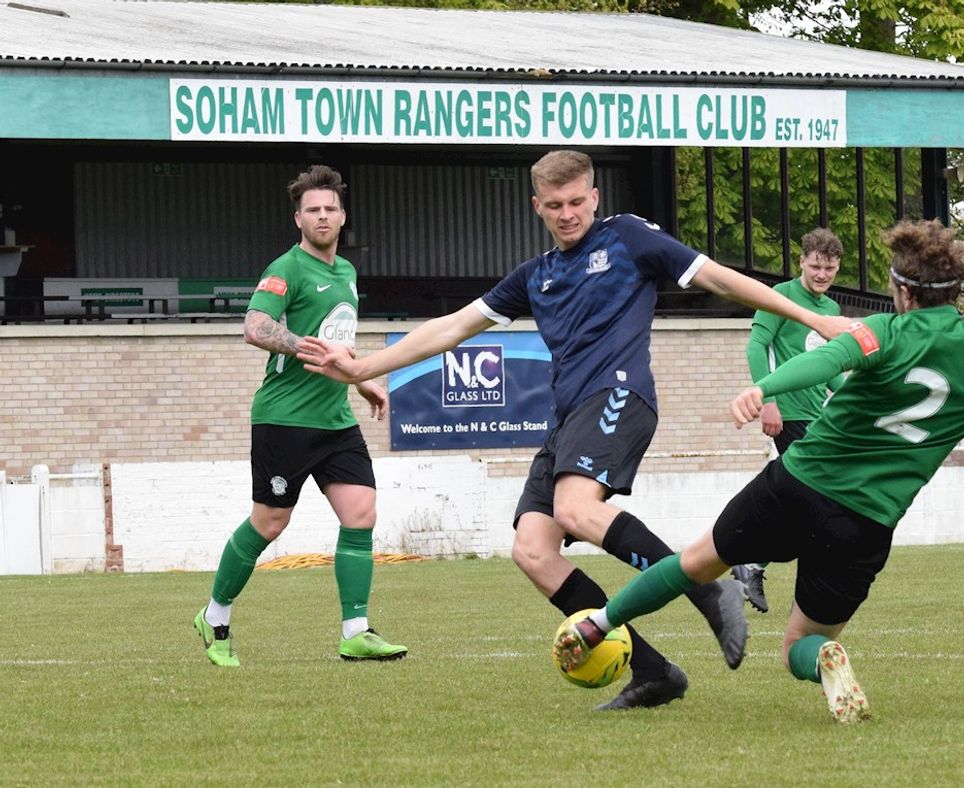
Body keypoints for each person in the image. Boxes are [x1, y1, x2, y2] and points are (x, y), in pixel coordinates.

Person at [553, 219, 964, 723]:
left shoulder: (886, 332)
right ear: (953, 289)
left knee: (697, 559)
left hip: (798, 484)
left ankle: (598, 622)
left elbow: (827, 357)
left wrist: (767, 388)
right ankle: (821, 662)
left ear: (902, 291)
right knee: (802, 640)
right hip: (867, 523)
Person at [298, 150, 851, 710]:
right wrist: (364, 367)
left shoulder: (629, 238)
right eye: (555, 205)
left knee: (576, 510)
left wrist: (814, 317)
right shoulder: (536, 276)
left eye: (576, 202)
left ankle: (708, 586)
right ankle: (655, 672)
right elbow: (452, 327)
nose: (567, 214)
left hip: (618, 394)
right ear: (537, 206)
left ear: (595, 198)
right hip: (568, 421)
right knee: (533, 551)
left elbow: (718, 277)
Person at [193, 165, 406, 667]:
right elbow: (255, 325)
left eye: (330, 208)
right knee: (269, 523)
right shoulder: (286, 268)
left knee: (361, 515)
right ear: (299, 218)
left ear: (342, 215)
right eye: (314, 209)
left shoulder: (347, 273)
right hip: (284, 419)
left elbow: (338, 348)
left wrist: (363, 381)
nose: (323, 215)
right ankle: (215, 617)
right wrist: (296, 344)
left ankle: (356, 631)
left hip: (336, 421)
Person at [731, 227, 845, 613]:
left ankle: (749, 561)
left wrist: (851, 395)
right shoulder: (780, 297)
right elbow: (756, 346)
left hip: (816, 415)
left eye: (829, 268)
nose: (822, 274)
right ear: (802, 261)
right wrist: (769, 401)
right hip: (788, 413)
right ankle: (753, 563)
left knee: (802, 498)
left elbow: (827, 367)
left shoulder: (830, 311)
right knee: (813, 497)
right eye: (816, 266)